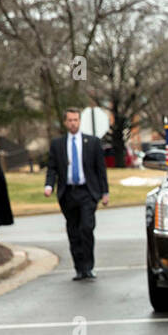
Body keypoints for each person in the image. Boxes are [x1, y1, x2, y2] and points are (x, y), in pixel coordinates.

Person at [44, 108, 109, 280]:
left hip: (87, 192)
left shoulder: (92, 142)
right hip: (68, 193)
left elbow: (100, 169)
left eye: (76, 120)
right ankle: (79, 268)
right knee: (73, 231)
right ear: (65, 122)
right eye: (70, 120)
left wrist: (104, 192)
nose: (73, 123)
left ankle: (89, 266)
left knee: (86, 228)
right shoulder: (57, 144)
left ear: (80, 122)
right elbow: (52, 168)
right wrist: (49, 185)